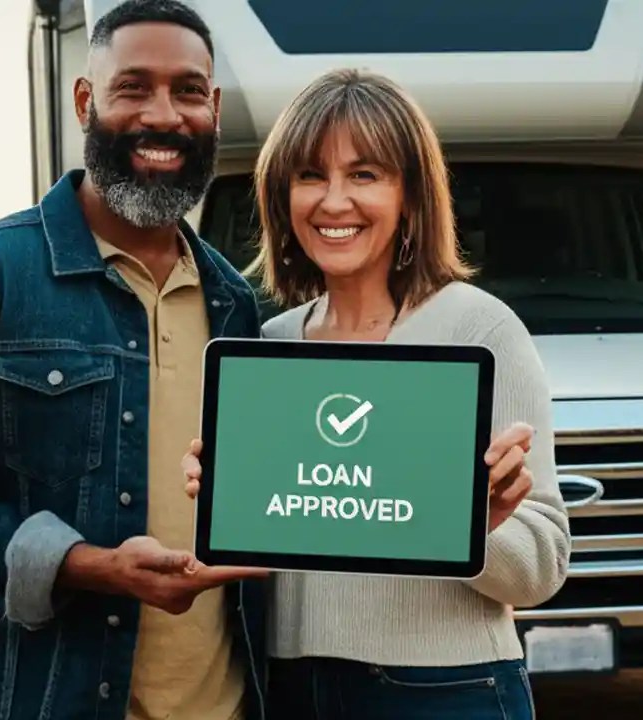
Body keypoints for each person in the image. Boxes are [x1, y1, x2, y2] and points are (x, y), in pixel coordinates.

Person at [0, 1, 268, 719]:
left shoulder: (234, 302)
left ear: (212, 107)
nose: (163, 115)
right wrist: (95, 568)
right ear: (85, 100)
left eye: (187, 91)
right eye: (133, 87)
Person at [181, 68, 571, 719]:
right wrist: (224, 499)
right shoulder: (269, 349)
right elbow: (288, 525)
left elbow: (543, 567)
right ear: (281, 198)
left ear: (412, 196)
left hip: (447, 689)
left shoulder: (478, 329)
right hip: (294, 688)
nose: (334, 201)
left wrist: (473, 526)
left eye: (365, 174)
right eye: (310, 175)